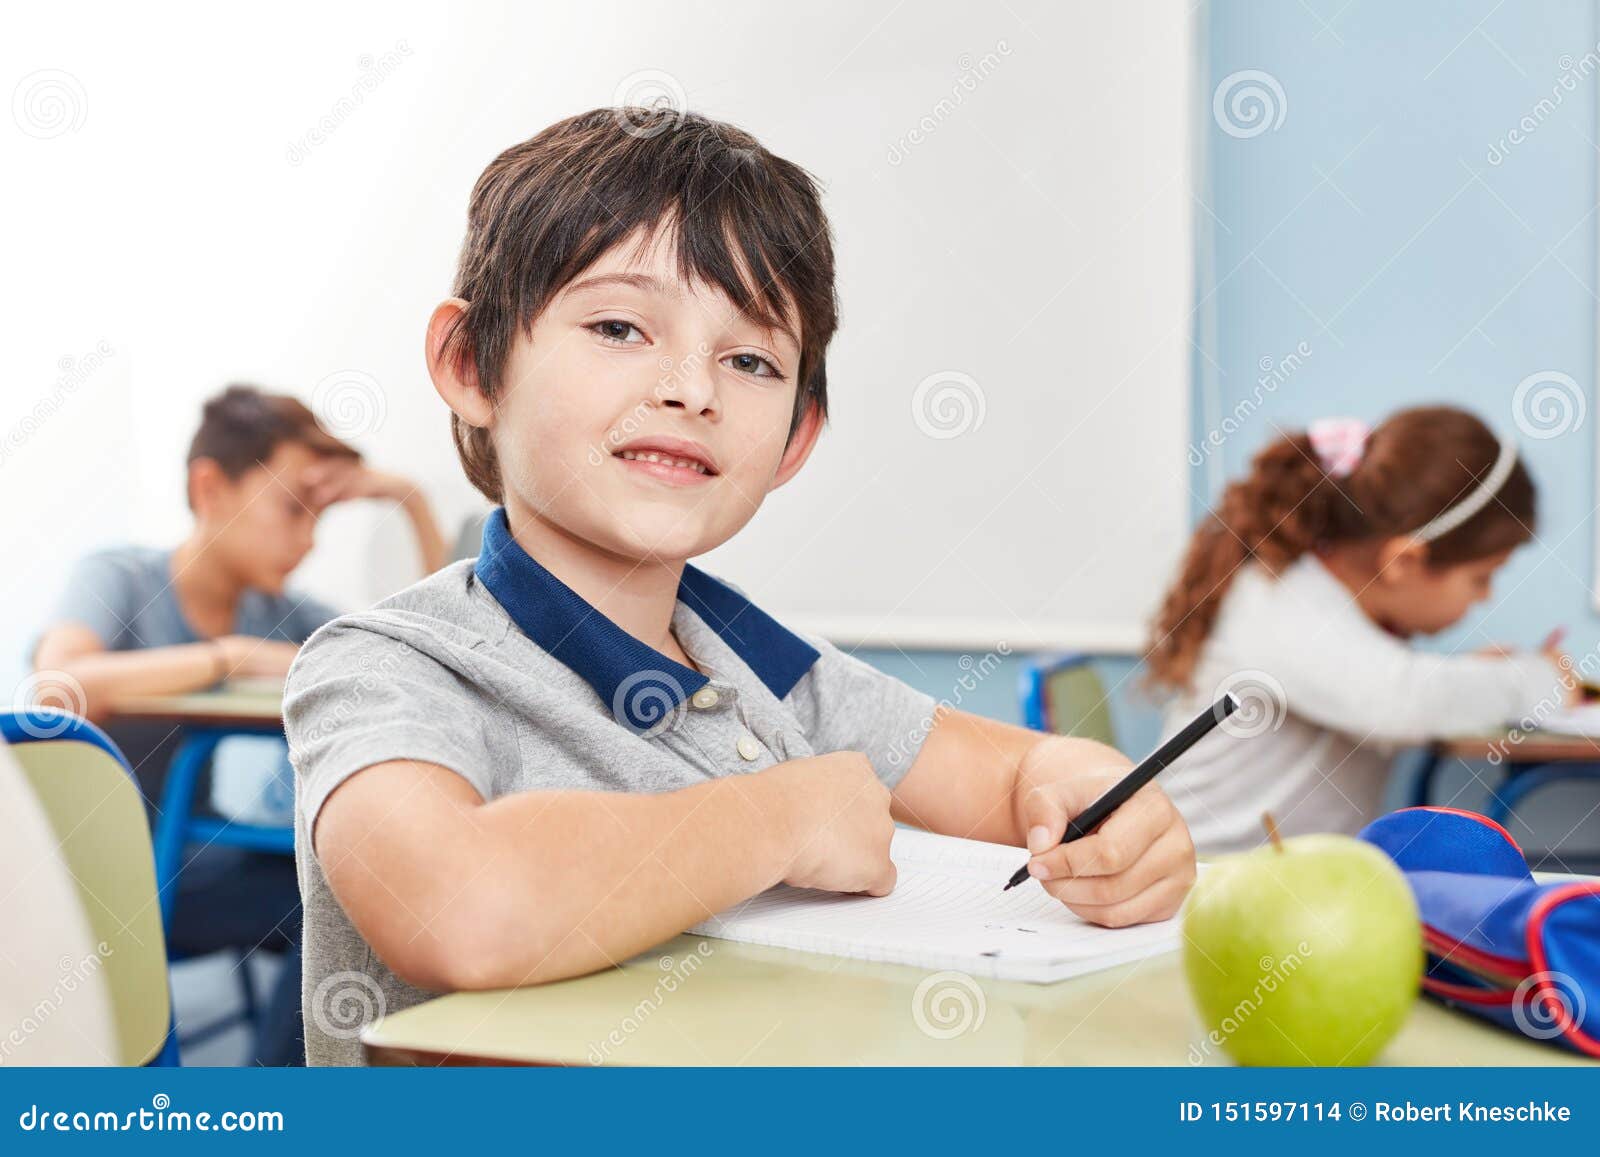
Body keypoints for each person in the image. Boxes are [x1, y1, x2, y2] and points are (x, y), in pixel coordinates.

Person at [284, 108, 1199, 1065]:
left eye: (751, 359)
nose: (693, 389)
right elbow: (459, 906)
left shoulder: (756, 660)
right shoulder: (388, 666)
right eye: (619, 325)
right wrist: (783, 816)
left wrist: (1106, 805)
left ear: (796, 437)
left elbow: (1019, 774)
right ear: (472, 363)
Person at [31, 383, 447, 1065]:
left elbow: (423, 655)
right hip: (93, 888)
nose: (308, 539)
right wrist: (229, 657)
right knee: (331, 902)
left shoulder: (275, 606)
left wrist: (408, 499)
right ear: (209, 487)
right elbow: (58, 687)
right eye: (293, 509)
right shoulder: (120, 577)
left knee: (364, 889)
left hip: (198, 869)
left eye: (320, 516)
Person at [1144, 407, 1571, 855]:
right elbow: (1406, 700)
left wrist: (1468, 672)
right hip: (1192, 881)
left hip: (1266, 883)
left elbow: (1388, 681)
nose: (1485, 598)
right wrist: (1542, 679)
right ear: (1403, 562)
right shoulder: (1282, 601)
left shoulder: (1316, 601)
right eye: (1481, 578)